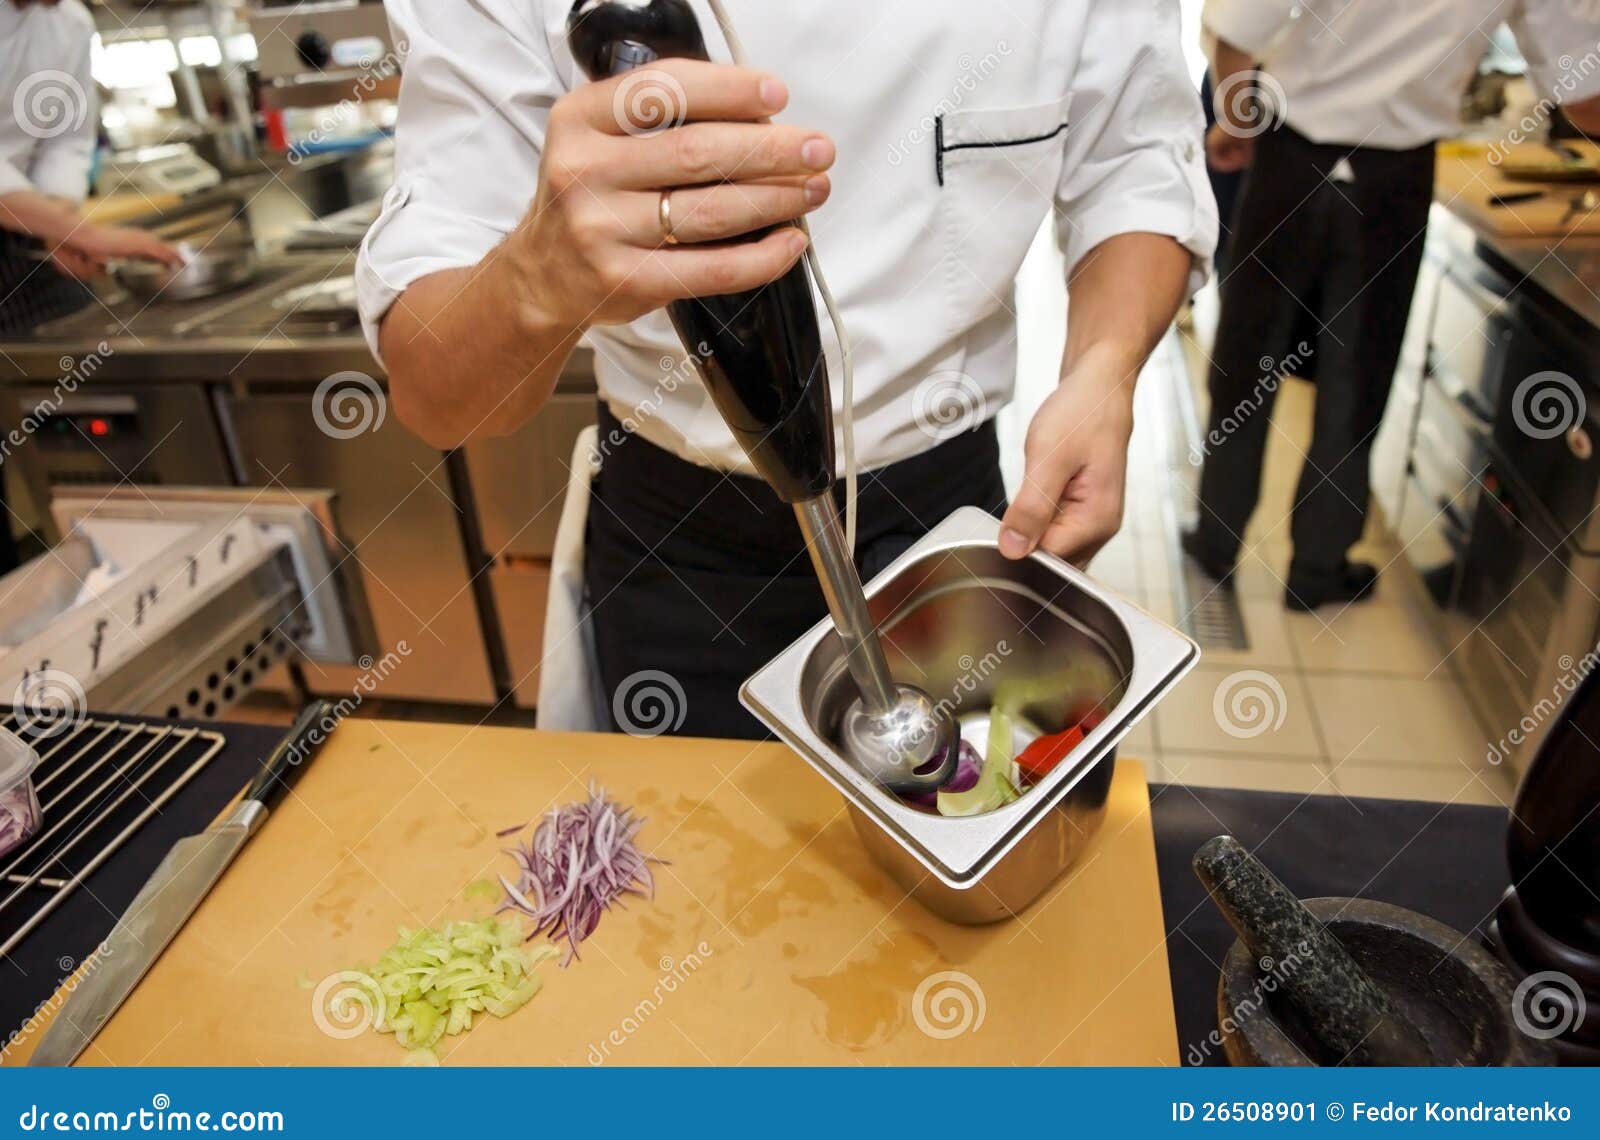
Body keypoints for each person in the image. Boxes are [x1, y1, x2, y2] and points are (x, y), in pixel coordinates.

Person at [358, 0, 1218, 738]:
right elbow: (440, 401)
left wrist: (1104, 372)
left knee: (960, 869)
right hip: (682, 548)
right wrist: (534, 280)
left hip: (947, 522)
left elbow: (1135, 163)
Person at [1186, 0, 1600, 612]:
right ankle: (1318, 570)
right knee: (1358, 377)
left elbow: (1237, 28)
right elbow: (1582, 90)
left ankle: (1216, 540)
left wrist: (1234, 122)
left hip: (1289, 161)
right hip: (1392, 179)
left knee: (1248, 358)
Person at [0, 0, 183, 337]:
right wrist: (84, 234)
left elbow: (66, 142)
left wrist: (56, 223)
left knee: (79, 342)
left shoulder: (71, 21)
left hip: (26, 224)